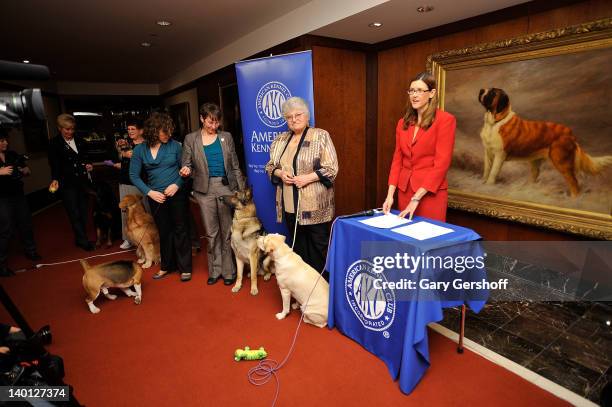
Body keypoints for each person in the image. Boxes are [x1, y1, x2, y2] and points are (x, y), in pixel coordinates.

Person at [265, 97, 338, 274]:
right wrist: (280, 173)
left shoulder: (320, 135)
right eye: (289, 117)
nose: (294, 119)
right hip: (290, 205)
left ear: (307, 116)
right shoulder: (281, 140)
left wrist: (307, 178)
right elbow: (269, 166)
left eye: (298, 115)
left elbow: (332, 168)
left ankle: (323, 289)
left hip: (314, 205)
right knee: (298, 249)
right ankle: (303, 291)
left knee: (319, 249)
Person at [180, 103, 245, 285]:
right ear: (202, 119)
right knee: (211, 232)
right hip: (204, 190)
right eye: (210, 122)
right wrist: (185, 170)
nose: (213, 126)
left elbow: (235, 166)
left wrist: (240, 191)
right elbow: (186, 164)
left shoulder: (226, 137)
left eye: (216, 123)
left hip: (225, 187)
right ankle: (215, 270)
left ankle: (229, 271)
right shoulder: (191, 139)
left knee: (226, 231)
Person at [382, 71, 456, 222]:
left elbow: (441, 164)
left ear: (431, 93)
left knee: (428, 240)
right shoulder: (402, 123)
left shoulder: (445, 120)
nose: (414, 95)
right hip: (405, 191)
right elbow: (397, 161)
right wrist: (390, 195)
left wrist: (416, 198)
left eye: (419, 91)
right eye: (411, 91)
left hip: (430, 193)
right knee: (406, 238)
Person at [130, 112, 192, 281]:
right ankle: (167, 266)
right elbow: (134, 175)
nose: (169, 135)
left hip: (176, 194)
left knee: (180, 229)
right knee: (164, 231)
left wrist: (177, 184)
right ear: (154, 130)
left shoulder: (175, 146)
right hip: (155, 196)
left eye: (170, 131)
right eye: (166, 131)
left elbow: (186, 170)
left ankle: (185, 267)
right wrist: (149, 192)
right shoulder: (139, 149)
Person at [48, 114, 95, 251]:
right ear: (59, 128)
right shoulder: (54, 144)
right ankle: (82, 240)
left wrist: (89, 164)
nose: (70, 132)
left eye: (72, 129)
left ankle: (80, 236)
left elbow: (87, 158)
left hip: (82, 182)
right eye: (66, 129)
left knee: (84, 211)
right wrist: (55, 180)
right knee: (74, 212)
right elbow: (54, 165)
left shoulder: (80, 141)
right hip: (67, 184)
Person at [0, 130, 41, 277]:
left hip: (18, 195)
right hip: (2, 198)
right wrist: (0, 172)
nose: (5, 143)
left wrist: (24, 170)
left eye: (5, 140)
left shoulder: (12, 154)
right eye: (1, 140)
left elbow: (28, 170)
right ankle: (2, 265)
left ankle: (31, 251)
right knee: (6, 229)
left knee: (25, 223)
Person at [113, 118, 150, 249]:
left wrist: (132, 156)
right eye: (128, 129)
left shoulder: (146, 145)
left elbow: (148, 163)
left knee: (141, 210)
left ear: (141, 130)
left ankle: (146, 235)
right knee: (125, 211)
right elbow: (121, 160)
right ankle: (128, 238)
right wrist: (122, 156)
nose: (130, 132)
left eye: (133, 129)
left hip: (139, 182)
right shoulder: (127, 144)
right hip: (124, 181)